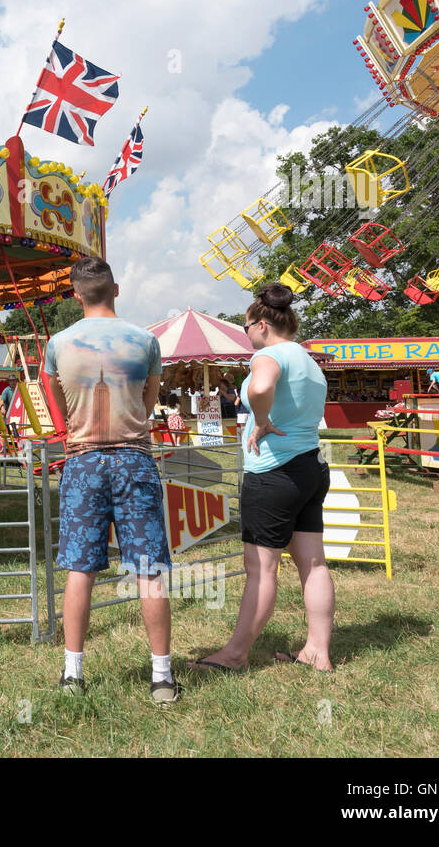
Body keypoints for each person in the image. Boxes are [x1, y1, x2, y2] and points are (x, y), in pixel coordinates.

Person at [42, 256, 178, 704]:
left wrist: (68, 431)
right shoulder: (146, 340)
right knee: (149, 568)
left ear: (76, 295)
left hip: (82, 461)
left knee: (80, 569)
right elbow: (148, 400)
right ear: (115, 290)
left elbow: (51, 392)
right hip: (134, 459)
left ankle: (73, 673)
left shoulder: (59, 343)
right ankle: (162, 677)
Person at [189, 284, 335, 674]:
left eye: (246, 327)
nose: (246, 335)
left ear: (263, 326)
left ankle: (235, 655)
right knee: (314, 563)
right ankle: (317, 652)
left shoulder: (268, 356)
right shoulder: (309, 360)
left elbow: (261, 386)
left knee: (261, 568)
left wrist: (264, 420)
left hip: (273, 472)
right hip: (311, 468)